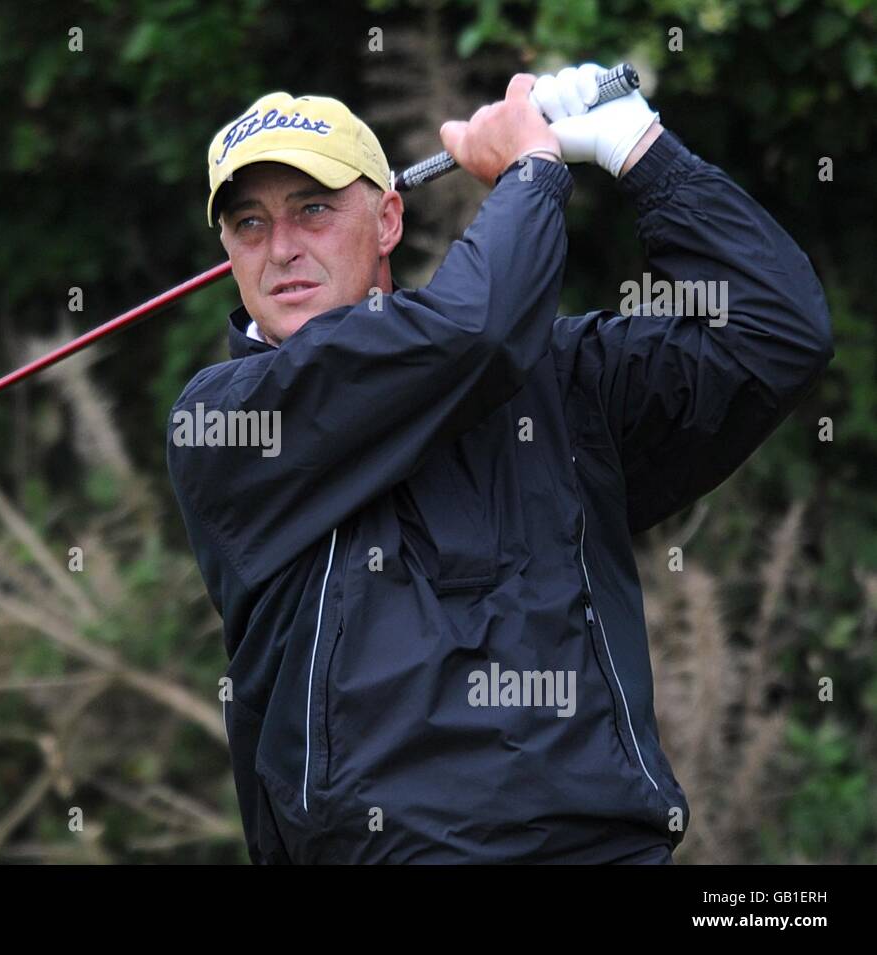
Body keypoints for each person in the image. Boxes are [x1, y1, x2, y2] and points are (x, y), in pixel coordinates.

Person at [165, 64, 833, 864]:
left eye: (313, 210)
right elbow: (473, 332)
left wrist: (643, 153)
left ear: (386, 221)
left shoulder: (556, 379)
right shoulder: (222, 424)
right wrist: (535, 170)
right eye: (248, 223)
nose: (280, 249)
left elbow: (776, 329)